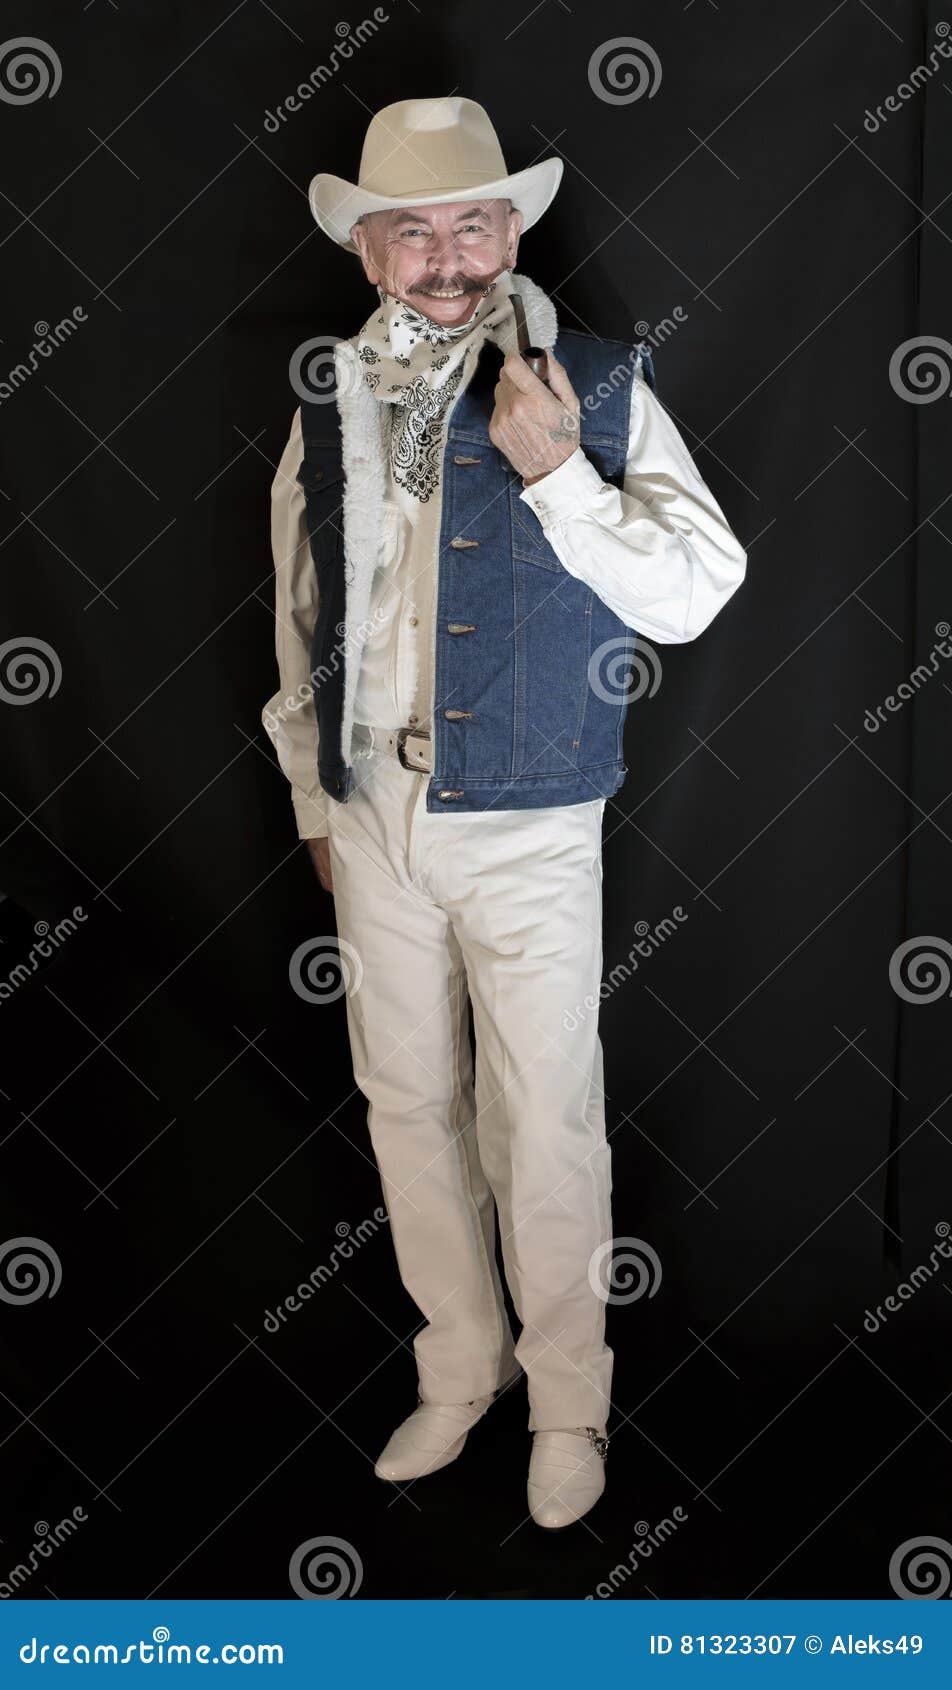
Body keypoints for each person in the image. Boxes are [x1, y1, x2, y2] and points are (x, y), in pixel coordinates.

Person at [262, 95, 747, 1529]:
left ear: (514, 229)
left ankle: (568, 1403)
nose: (448, 252)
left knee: (544, 1121)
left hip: (530, 819)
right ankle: (458, 1371)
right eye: (414, 228)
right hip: (372, 815)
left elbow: (699, 588)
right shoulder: (327, 389)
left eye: (474, 219)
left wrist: (560, 477)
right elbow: (300, 604)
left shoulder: (591, 383)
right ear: (372, 255)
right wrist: (312, 792)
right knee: (409, 1104)